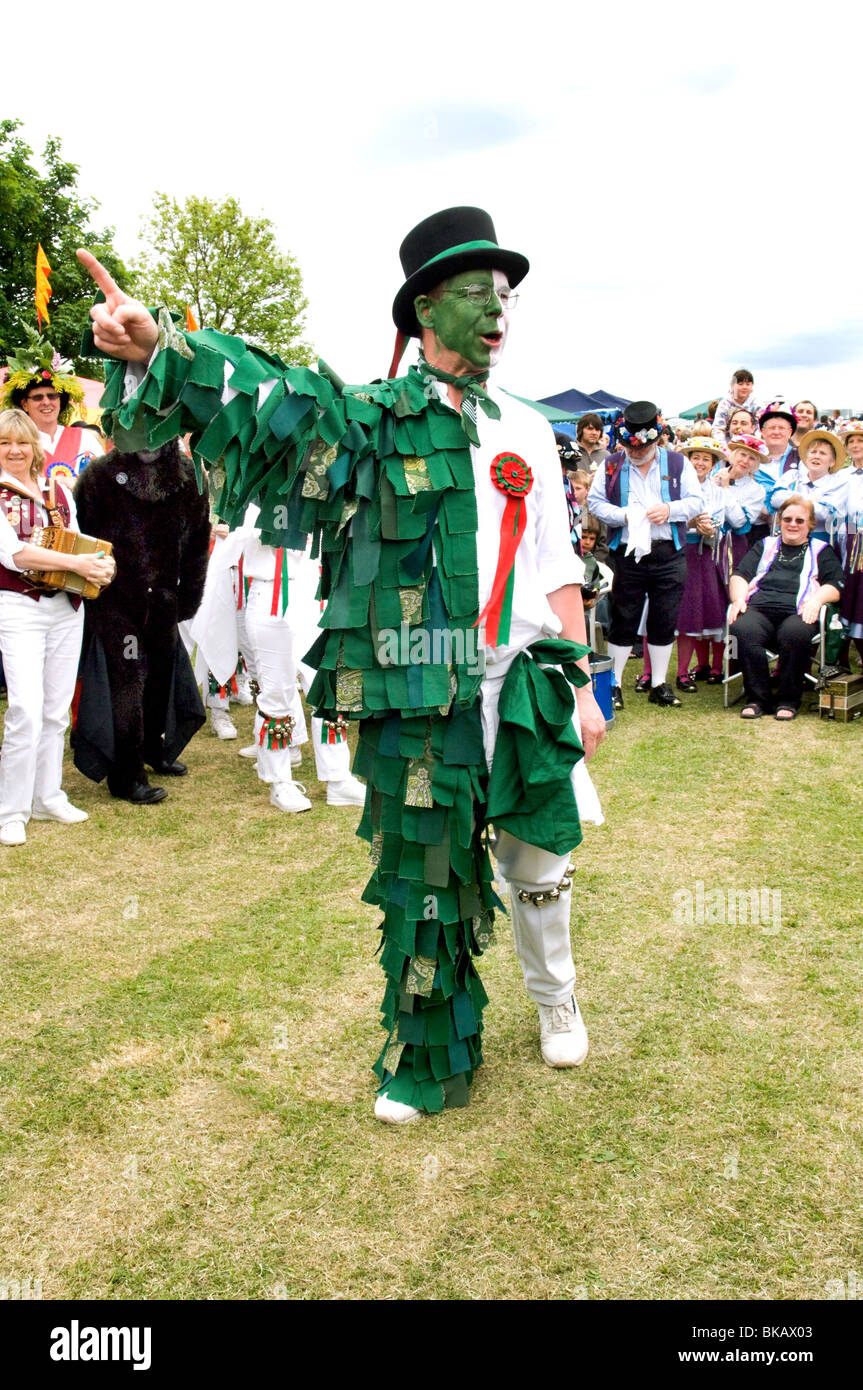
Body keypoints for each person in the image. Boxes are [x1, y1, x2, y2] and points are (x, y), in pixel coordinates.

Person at [78, 206, 607, 1125]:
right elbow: (278, 405)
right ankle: (431, 1056)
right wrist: (157, 346)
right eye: (479, 293)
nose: (498, 312)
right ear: (425, 308)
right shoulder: (370, 422)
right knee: (427, 874)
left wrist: (584, 683)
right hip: (415, 682)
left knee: (538, 856)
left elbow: (556, 562)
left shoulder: (527, 428)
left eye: (506, 296)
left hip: (521, 675)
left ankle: (554, 995)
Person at [0, 408, 115, 845]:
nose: (14, 450)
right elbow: (14, 555)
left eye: (21, 442)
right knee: (25, 710)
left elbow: (82, 542)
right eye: (4, 443)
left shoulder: (58, 491)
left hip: (66, 608)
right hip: (18, 606)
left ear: (35, 446)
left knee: (54, 708)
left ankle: (47, 795)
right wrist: (78, 563)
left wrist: (101, 567)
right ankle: (10, 809)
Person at [72, 441, 210, 804]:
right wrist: (93, 592)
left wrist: (189, 597)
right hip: (116, 598)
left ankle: (154, 747)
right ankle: (126, 773)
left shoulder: (188, 475)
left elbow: (198, 540)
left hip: (164, 596)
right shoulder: (99, 475)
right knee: (127, 683)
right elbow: (82, 534)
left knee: (161, 677)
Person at [588, 400, 704, 708]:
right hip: (627, 553)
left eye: (641, 448)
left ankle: (659, 684)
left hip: (668, 551)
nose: (635, 452)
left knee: (664, 617)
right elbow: (595, 502)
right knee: (624, 617)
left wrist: (670, 510)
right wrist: (623, 516)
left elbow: (696, 501)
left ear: (657, 440)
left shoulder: (678, 463)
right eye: (629, 447)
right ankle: (614, 685)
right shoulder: (611, 464)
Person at [728, 496, 843, 720]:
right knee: (742, 628)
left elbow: (835, 585)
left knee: (795, 633)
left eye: (800, 520)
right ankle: (757, 699)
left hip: (798, 611)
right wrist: (739, 599)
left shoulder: (821, 550)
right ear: (779, 521)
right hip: (759, 609)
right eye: (787, 519)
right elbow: (740, 575)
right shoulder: (765, 545)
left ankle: (788, 700)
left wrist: (816, 601)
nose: (793, 524)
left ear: (810, 524)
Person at [2, 330, 104, 482]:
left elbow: (105, 483)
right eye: (38, 397)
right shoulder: (14, 447)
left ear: (60, 400)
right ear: (24, 404)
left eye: (52, 396)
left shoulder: (85, 439)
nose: (46, 402)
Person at [674, 434, 728, 689]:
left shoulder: (717, 491)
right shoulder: (678, 486)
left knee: (712, 605)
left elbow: (720, 519)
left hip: (709, 552)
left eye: (706, 459)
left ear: (714, 463)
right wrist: (693, 525)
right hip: (683, 549)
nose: (700, 463)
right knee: (688, 609)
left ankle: (716, 665)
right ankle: (683, 669)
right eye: (696, 457)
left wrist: (711, 528)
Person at [770, 428, 848, 546]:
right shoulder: (792, 475)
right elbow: (775, 500)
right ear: (806, 458)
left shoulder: (838, 483)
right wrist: (810, 500)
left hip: (819, 541)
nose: (816, 456)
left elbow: (824, 514)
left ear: (832, 462)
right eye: (813, 452)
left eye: (822, 453)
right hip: (786, 539)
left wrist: (790, 498)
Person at [836, 421, 863, 668]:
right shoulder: (842, 476)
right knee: (848, 592)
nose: (855, 445)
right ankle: (840, 655)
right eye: (851, 441)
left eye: (860, 441)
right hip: (847, 539)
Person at [712, 369, 758, 442]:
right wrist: (724, 448)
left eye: (748, 384)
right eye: (740, 384)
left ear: (752, 386)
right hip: (728, 443)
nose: (744, 387)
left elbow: (759, 428)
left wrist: (755, 444)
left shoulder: (756, 405)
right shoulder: (725, 404)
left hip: (750, 444)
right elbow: (718, 428)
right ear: (732, 385)